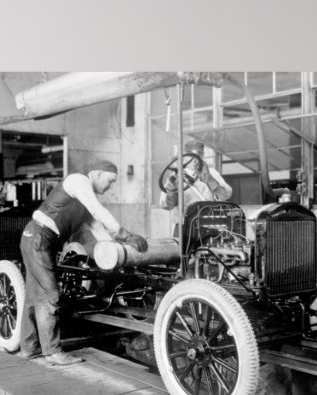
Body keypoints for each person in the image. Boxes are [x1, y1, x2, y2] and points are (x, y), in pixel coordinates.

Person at [17, 160, 148, 366]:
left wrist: (121, 252)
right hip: (40, 237)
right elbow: (98, 210)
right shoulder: (78, 181)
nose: (110, 186)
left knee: (34, 296)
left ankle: (28, 348)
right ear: (96, 173)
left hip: (37, 238)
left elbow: (102, 234)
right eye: (110, 180)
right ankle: (52, 352)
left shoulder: (83, 204)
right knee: (50, 295)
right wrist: (126, 234)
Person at [159, 142, 233, 210]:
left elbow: (226, 196)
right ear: (184, 156)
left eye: (198, 154)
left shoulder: (213, 173)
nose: (194, 160)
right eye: (190, 155)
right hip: (185, 223)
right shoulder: (175, 177)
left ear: (203, 155)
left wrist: (210, 180)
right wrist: (171, 192)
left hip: (207, 222)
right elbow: (167, 206)